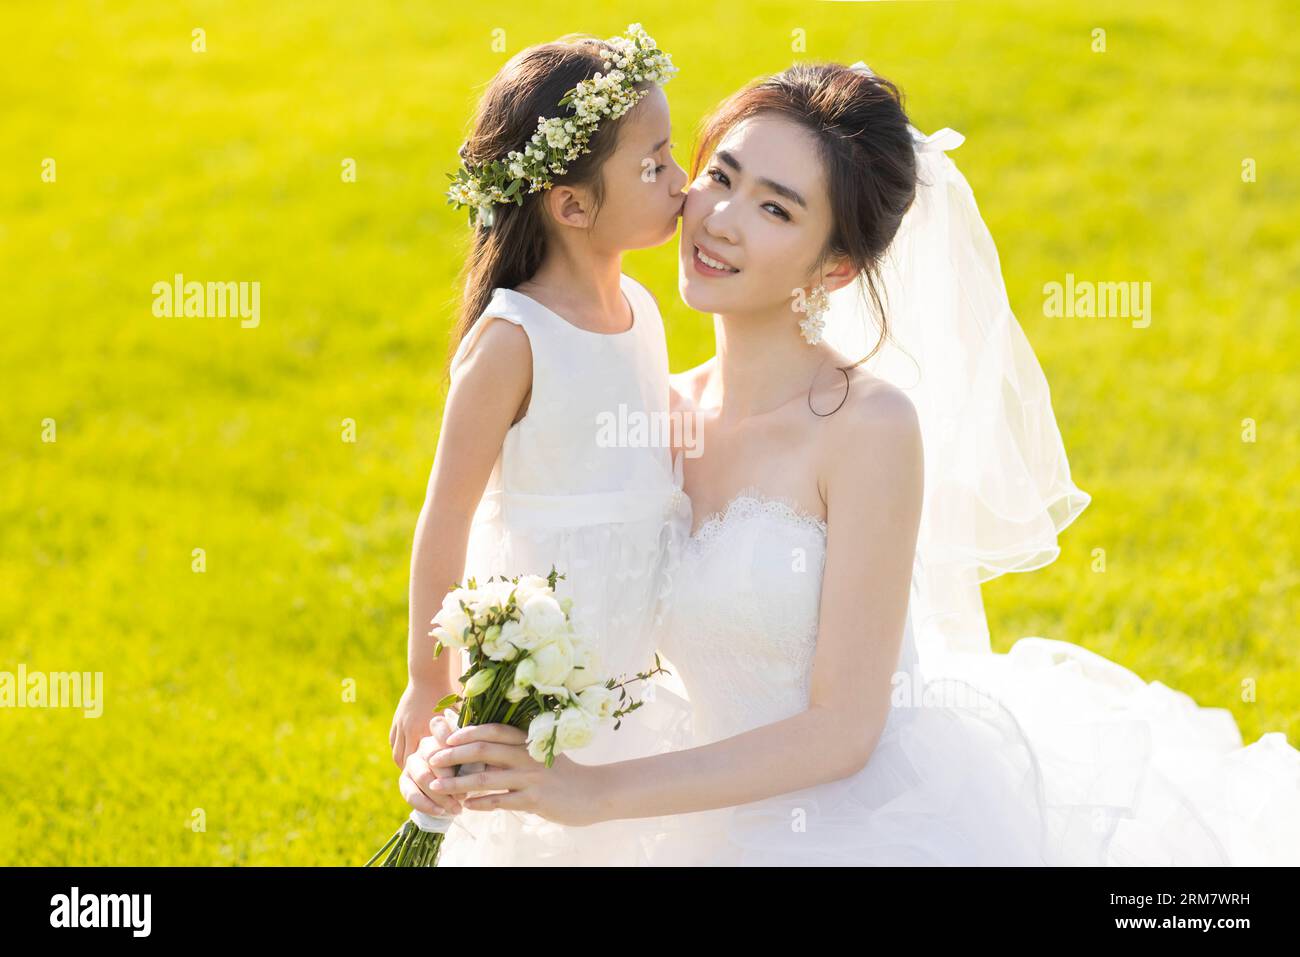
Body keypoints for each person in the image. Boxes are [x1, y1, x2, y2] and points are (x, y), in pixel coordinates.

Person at [406, 61, 1300, 866]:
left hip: (839, 819)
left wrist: (594, 797)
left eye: (775, 208)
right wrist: (473, 736)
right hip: (667, 789)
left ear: (833, 269)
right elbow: (547, 590)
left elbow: (842, 731)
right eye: (720, 175)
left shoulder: (868, 428)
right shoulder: (647, 404)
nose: (716, 218)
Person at [387, 24, 697, 866]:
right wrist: (428, 677)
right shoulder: (514, 339)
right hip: (544, 654)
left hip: (634, 654)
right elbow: (445, 512)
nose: (684, 180)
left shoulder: (643, 309)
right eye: (656, 163)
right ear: (570, 204)